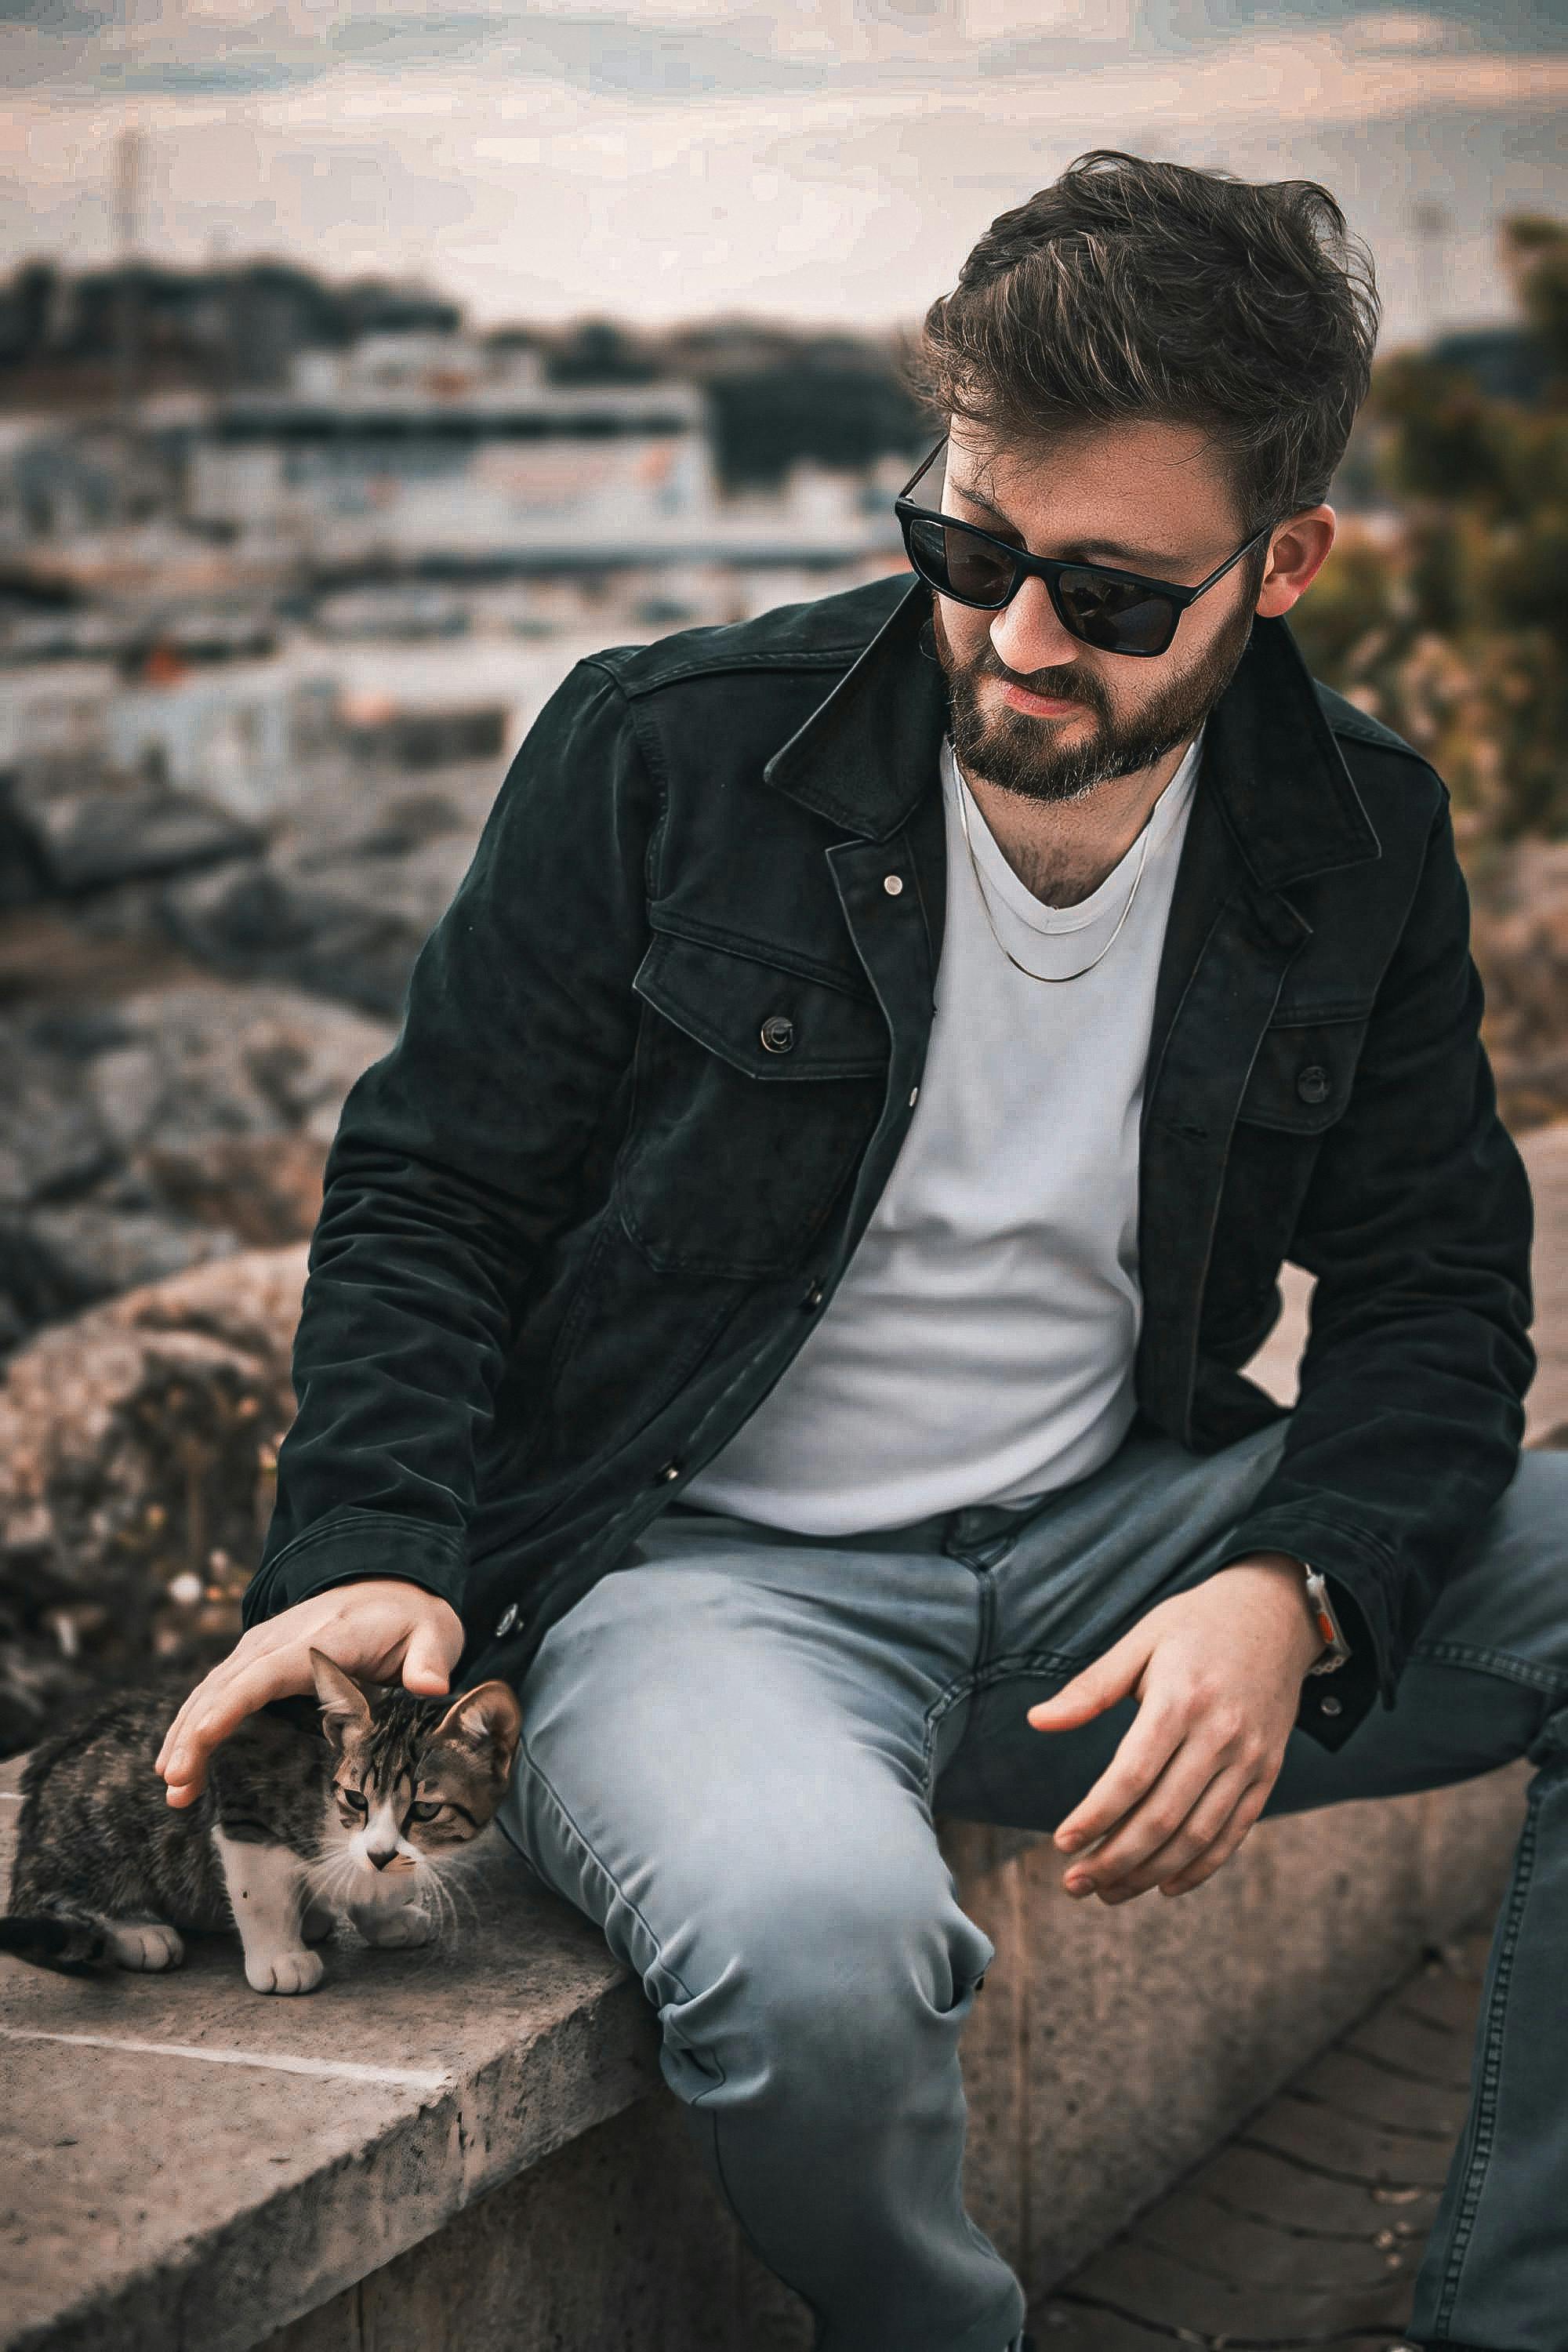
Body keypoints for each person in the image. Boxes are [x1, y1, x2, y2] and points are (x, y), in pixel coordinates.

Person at [154, 153, 1562, 2352]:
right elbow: (431, 1184)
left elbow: (1443, 1289)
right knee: (816, 1957)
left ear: (1283, 563)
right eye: (969, 549)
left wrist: (1298, 1584)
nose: (1014, 638)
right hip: (705, 1584)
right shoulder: (665, 750)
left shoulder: (1355, 829)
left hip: (1125, 1547)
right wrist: (366, 1542)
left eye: (1110, 595)